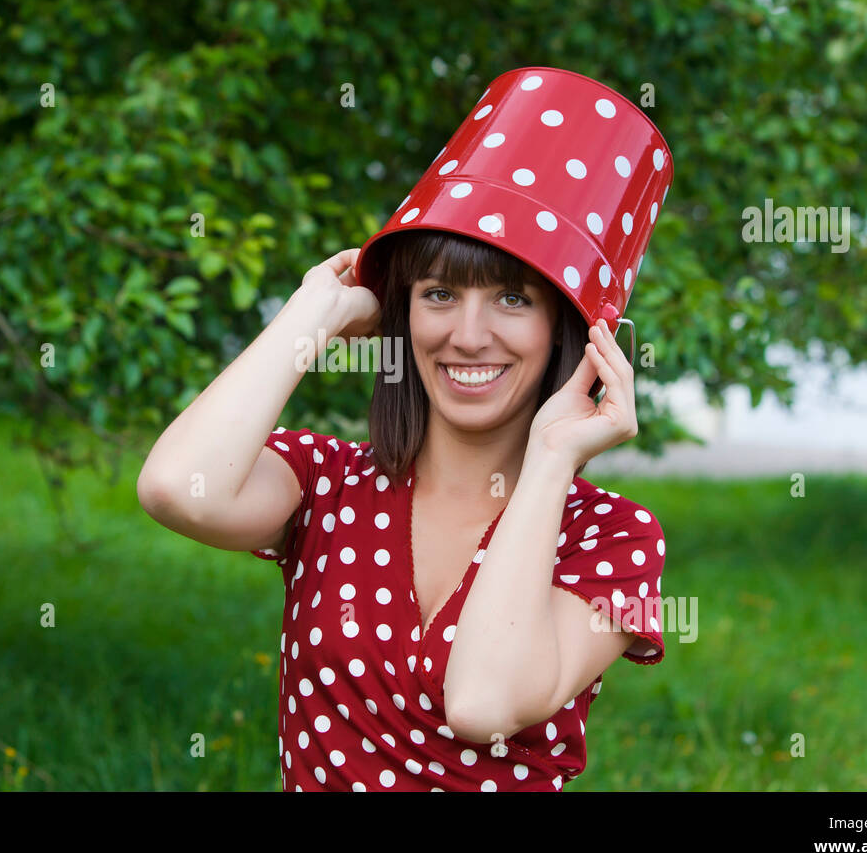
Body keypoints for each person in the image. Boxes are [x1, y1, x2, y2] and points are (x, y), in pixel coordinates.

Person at [137, 227, 667, 791]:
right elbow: (177, 488)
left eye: (512, 298)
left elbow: (484, 704)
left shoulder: (610, 536)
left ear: (567, 331)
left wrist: (552, 457)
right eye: (439, 294)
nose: (467, 337)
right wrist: (317, 311)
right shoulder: (328, 481)